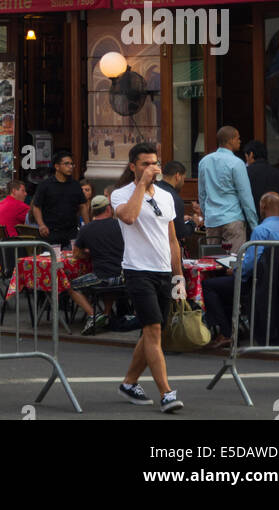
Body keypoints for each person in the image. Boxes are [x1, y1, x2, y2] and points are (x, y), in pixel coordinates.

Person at [111, 140, 186, 414]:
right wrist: (141, 185)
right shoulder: (121, 194)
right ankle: (167, 392)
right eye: (145, 164)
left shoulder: (166, 196)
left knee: (153, 330)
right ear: (133, 167)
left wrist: (179, 277)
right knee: (153, 330)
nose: (151, 168)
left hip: (163, 271)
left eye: (154, 163)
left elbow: (173, 239)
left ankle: (129, 382)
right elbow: (129, 218)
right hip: (137, 270)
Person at [201, 191, 279, 349]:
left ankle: (226, 333)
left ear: (262, 206)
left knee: (209, 286)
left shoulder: (261, 231)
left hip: (259, 284)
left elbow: (250, 263)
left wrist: (235, 272)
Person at [197, 126, 258, 254]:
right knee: (233, 263)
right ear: (230, 140)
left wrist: (206, 214)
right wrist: (254, 225)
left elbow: (202, 194)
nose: (240, 141)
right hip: (232, 220)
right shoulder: (237, 163)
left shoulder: (204, 162)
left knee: (214, 262)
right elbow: (245, 196)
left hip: (212, 221)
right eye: (238, 138)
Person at [72, 196, 125, 334]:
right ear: (109, 209)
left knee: (71, 285)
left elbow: (76, 254)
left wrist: (89, 253)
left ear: (92, 212)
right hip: (123, 277)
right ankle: (106, 314)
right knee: (108, 284)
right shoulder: (120, 225)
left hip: (102, 277)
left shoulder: (86, 229)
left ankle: (93, 314)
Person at [31, 151, 89, 246]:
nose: (70, 167)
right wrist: (41, 225)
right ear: (57, 166)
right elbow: (36, 206)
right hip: (51, 232)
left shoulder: (75, 185)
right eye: (66, 164)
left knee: (72, 259)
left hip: (72, 232)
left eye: (72, 164)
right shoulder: (45, 185)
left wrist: (87, 226)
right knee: (53, 259)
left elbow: (82, 206)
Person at [242, 140, 279, 214]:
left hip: (250, 222)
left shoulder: (243, 174)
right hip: (275, 222)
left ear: (251, 154)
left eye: (246, 157)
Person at [156, 161, 199, 243]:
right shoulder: (174, 198)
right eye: (183, 179)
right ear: (178, 176)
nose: (183, 183)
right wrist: (193, 223)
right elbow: (180, 233)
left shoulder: (154, 189)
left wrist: (179, 219)